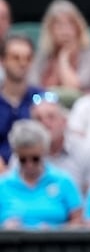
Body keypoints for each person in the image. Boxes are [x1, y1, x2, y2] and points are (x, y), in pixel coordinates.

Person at [0, 120, 82, 228]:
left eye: (35, 159)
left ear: (44, 152)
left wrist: (57, 231)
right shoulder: (3, 185)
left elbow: (79, 220)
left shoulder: (63, 180)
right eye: (23, 159)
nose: (29, 164)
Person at [30, 0, 90, 97]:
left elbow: (73, 90)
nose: (65, 31)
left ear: (78, 28)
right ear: (50, 30)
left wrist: (63, 59)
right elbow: (33, 89)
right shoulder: (42, 56)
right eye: (59, 25)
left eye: (70, 25)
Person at [1, 35, 42, 166]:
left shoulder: (43, 98)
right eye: (15, 58)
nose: (22, 63)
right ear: (2, 60)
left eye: (28, 58)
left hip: (35, 170)